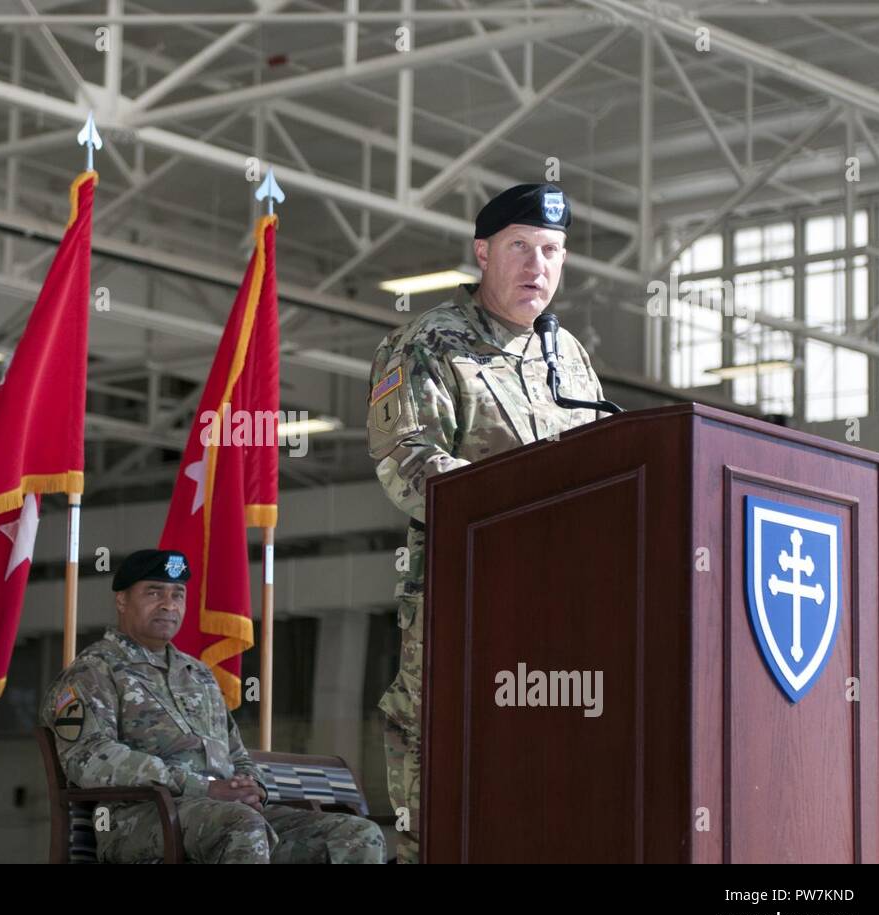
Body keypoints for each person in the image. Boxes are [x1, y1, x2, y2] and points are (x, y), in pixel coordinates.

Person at [366, 184, 608, 863]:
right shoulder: (425, 343)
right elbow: (405, 462)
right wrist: (520, 508)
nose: (539, 265)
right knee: (453, 791)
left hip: (568, 616)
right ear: (482, 252)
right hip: (468, 609)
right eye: (520, 247)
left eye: (553, 251)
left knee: (554, 790)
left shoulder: (570, 359)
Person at [43, 548, 386, 864]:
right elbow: (87, 759)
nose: (168, 604)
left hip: (222, 813)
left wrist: (252, 788)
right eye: (153, 592)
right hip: (141, 818)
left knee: (357, 834)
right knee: (243, 825)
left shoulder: (198, 674)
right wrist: (202, 787)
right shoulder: (93, 671)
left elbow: (236, 753)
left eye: (177, 594)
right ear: (121, 600)